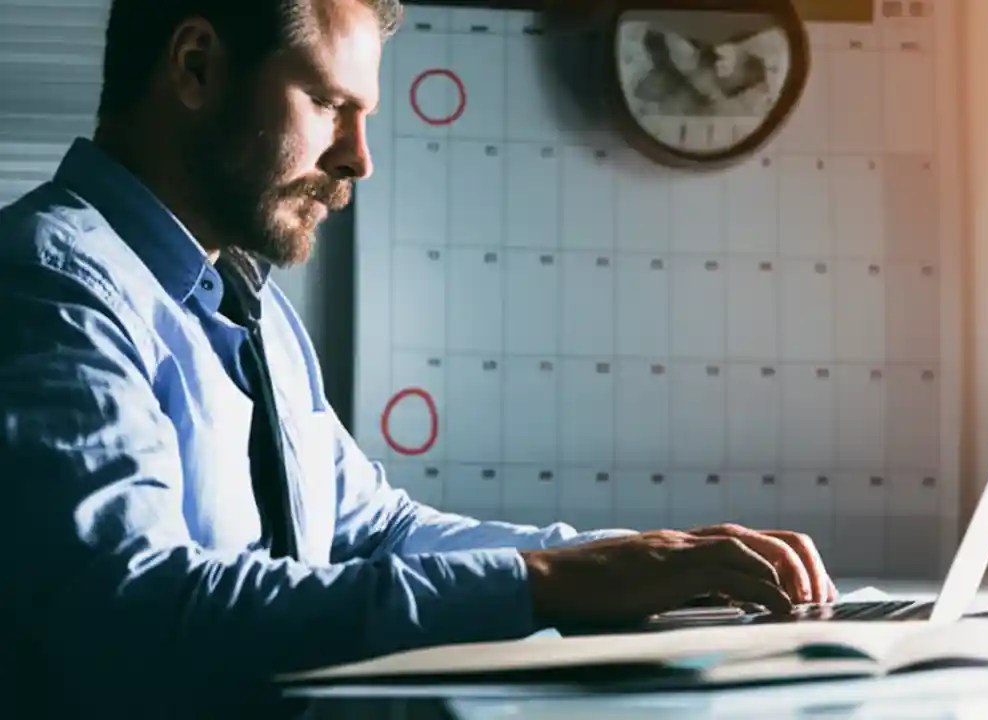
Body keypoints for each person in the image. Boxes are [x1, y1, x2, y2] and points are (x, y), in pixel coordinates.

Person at [0, 0, 838, 717]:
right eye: (331, 103)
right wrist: (546, 582)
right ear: (195, 67)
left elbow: (373, 532)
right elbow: (137, 610)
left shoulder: (252, 310)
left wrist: (634, 561)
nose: (358, 158)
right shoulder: (50, 285)